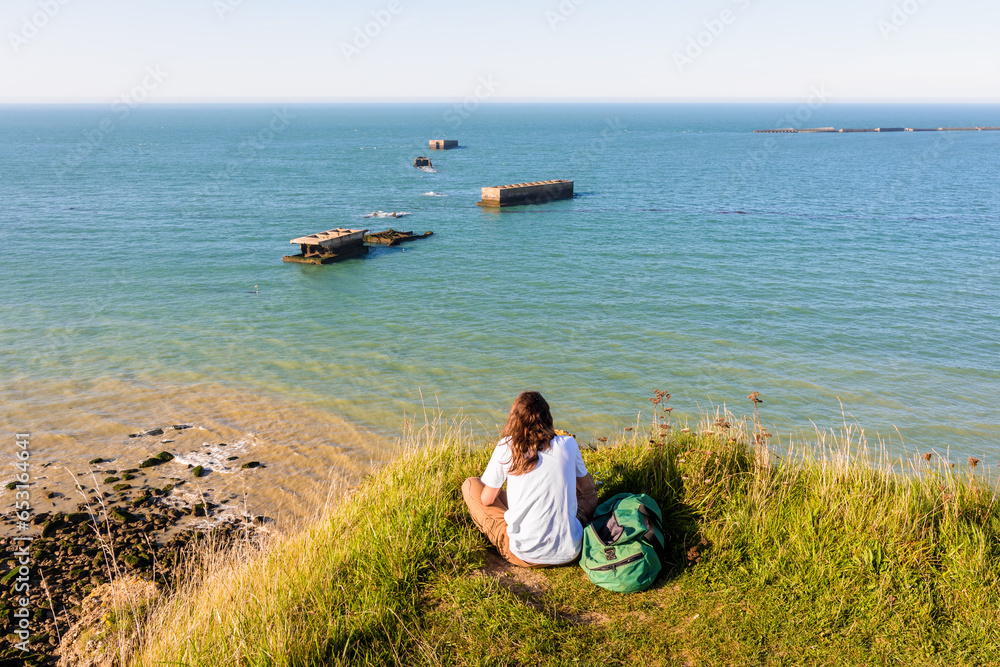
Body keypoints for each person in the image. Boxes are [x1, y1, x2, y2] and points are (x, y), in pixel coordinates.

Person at [462, 391, 599, 567]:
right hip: (571, 551)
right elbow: (588, 490)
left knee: (470, 484)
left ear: (514, 419)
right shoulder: (568, 444)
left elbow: (487, 500)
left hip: (524, 555)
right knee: (588, 495)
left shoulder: (507, 446)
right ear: (547, 417)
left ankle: (523, 527)